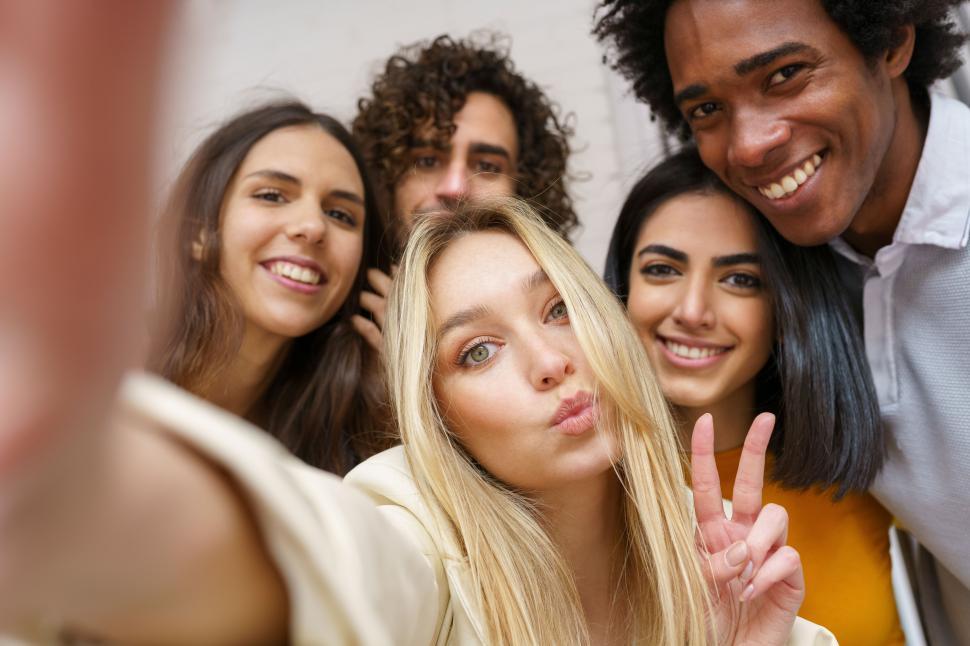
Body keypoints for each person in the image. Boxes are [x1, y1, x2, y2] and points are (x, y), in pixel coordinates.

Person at [595, 1, 970, 640]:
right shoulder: (804, 256)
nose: (749, 145)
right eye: (707, 109)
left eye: (785, 74)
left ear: (893, 41)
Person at [604, 149, 901, 644]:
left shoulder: (863, 457)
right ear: (620, 292)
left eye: (740, 279)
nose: (694, 310)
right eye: (662, 269)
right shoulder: (587, 491)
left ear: (786, 308)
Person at [149, 101, 393, 474]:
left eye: (341, 215)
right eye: (271, 195)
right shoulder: (100, 375)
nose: (312, 226)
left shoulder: (345, 450)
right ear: (194, 232)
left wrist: (403, 392)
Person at [350, 33, 578, 350]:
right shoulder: (331, 328)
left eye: (487, 165)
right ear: (385, 176)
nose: (454, 188)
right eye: (427, 161)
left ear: (527, 188)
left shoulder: (577, 320)